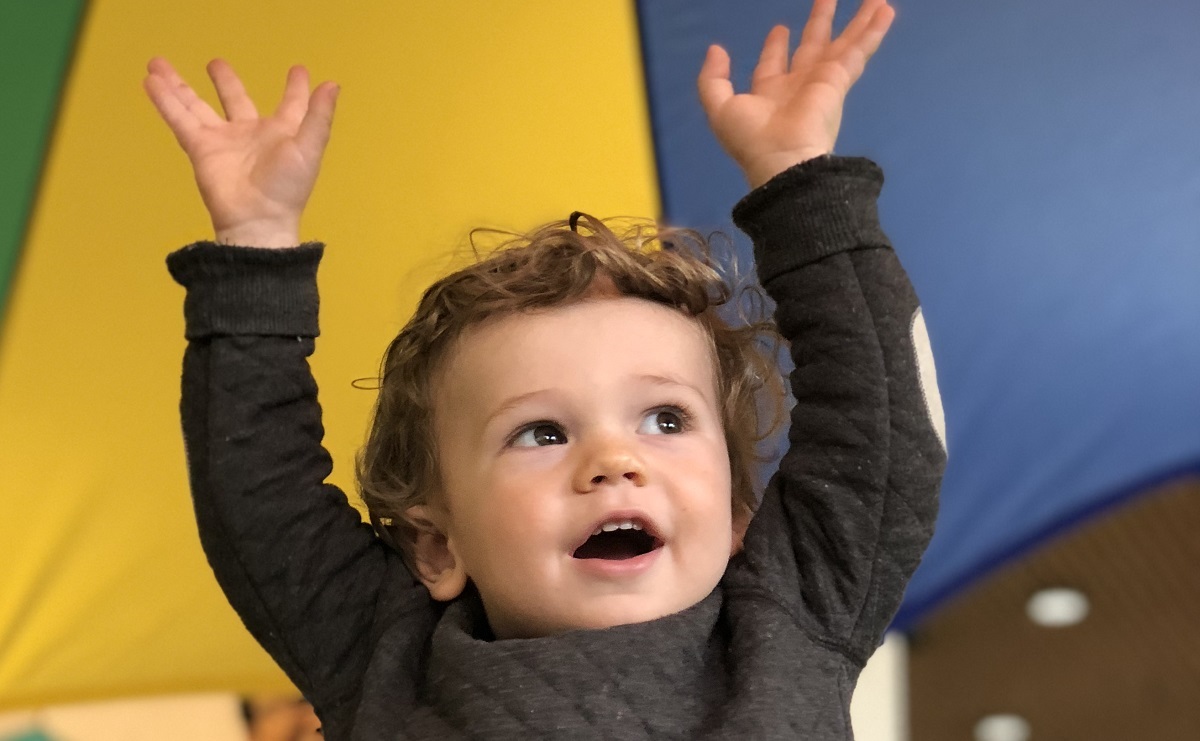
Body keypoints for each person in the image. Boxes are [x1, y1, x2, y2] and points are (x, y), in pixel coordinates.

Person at [146, 0, 944, 737]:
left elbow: (880, 434)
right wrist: (255, 240)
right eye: (541, 432)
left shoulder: (788, 621)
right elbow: (261, 495)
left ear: (738, 513)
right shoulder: (388, 660)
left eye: (666, 418)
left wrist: (800, 181)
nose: (614, 460)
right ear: (437, 544)